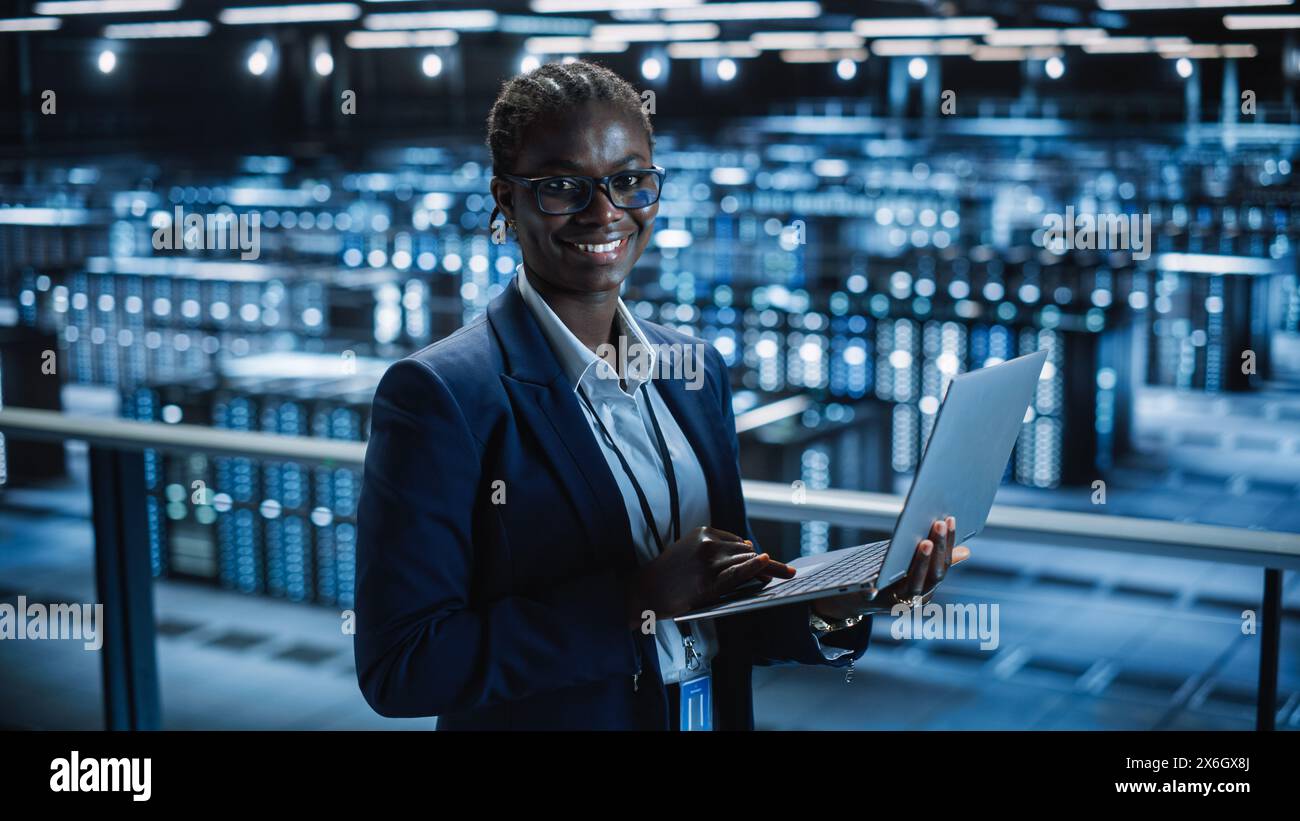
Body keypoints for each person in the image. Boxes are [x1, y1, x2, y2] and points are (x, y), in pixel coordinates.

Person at [354, 60, 969, 730]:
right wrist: (631, 600)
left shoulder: (693, 370)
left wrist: (841, 600)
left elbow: (724, 605)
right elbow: (402, 665)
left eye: (629, 181)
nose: (605, 211)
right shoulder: (442, 395)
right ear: (507, 200)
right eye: (563, 185)